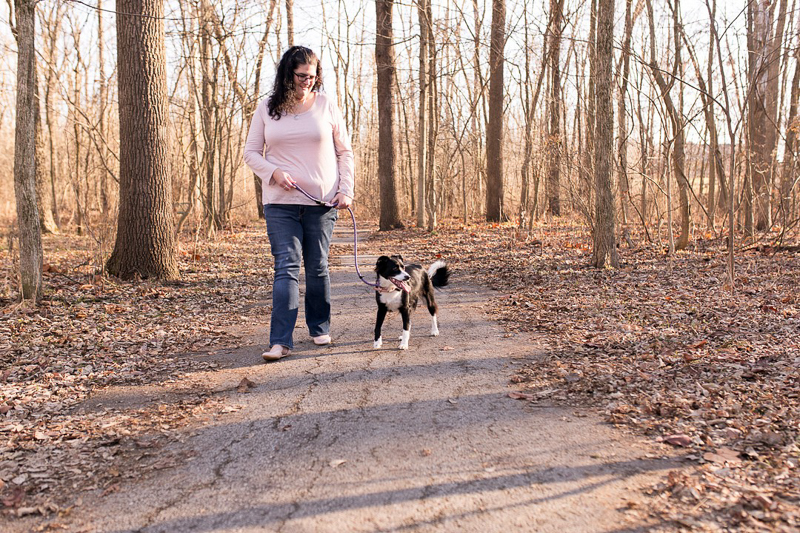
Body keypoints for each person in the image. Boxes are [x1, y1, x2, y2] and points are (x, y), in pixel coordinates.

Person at [244, 46, 354, 361]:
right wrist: (274, 172)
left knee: (317, 266)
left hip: (322, 202)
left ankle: (319, 328)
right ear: (287, 75)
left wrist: (345, 189)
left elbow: (344, 152)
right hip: (280, 203)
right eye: (302, 75)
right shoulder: (267, 108)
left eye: (313, 75)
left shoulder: (325, 105)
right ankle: (279, 341)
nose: (309, 81)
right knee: (286, 267)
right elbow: (251, 152)